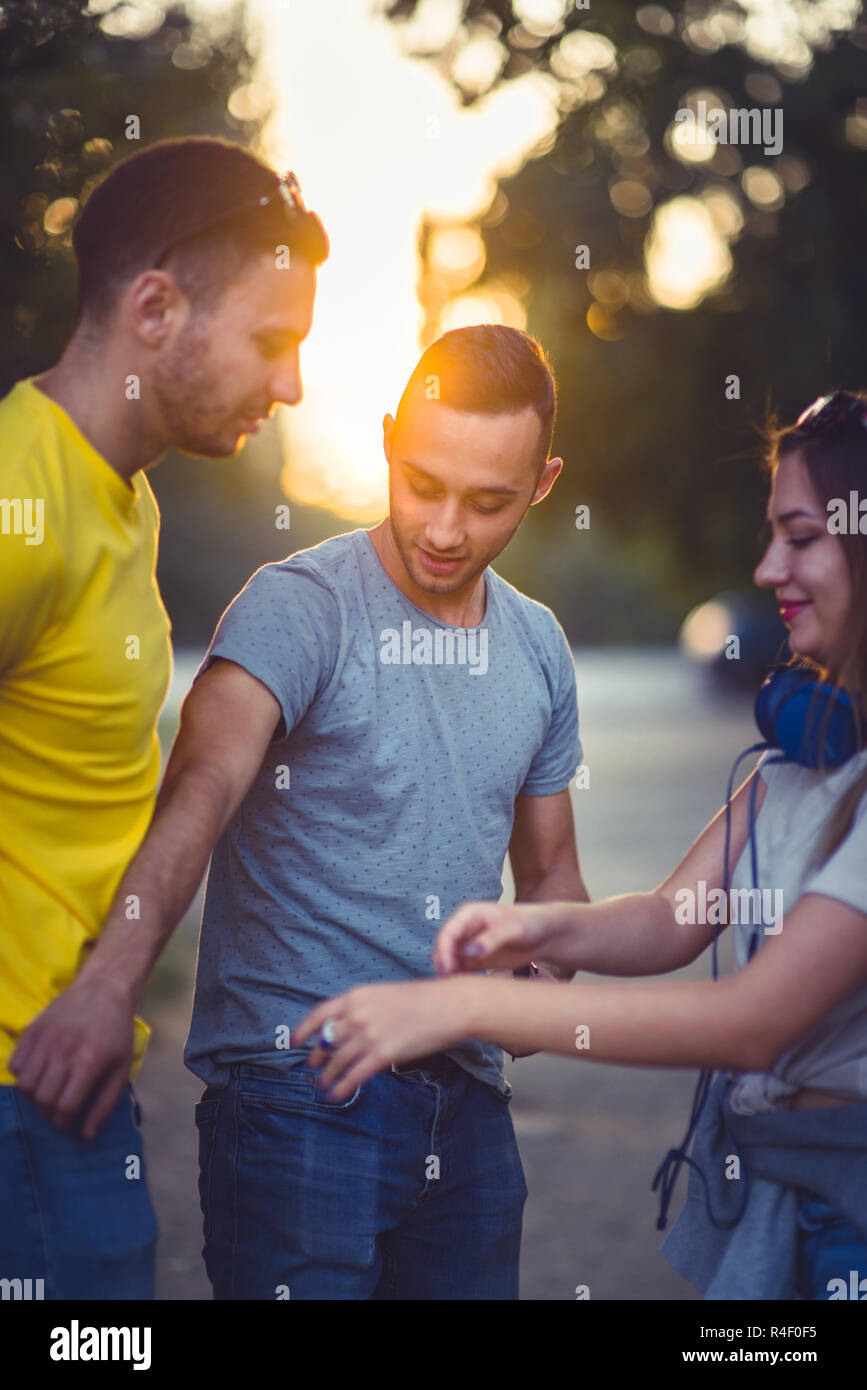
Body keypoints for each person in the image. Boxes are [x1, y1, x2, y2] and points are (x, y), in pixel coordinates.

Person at [296, 389, 867, 1301]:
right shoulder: (795, 765)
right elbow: (669, 920)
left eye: (799, 538)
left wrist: (460, 1010)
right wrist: (539, 934)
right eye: (770, 535)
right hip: (779, 1208)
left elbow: (753, 1019)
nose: (766, 568)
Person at [86, 323, 589, 1300]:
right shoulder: (297, 606)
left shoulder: (538, 647)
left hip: (470, 1106)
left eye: (488, 501)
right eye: (422, 483)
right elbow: (200, 789)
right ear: (389, 437)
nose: (445, 528)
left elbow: (555, 875)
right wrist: (111, 989)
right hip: (299, 1094)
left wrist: (540, 969)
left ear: (543, 483)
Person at [0, 135, 328, 1299]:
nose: (289, 385)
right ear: (155, 307)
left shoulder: (121, 500)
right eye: (271, 341)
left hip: (62, 1077)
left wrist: (104, 985)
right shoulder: (21, 501)